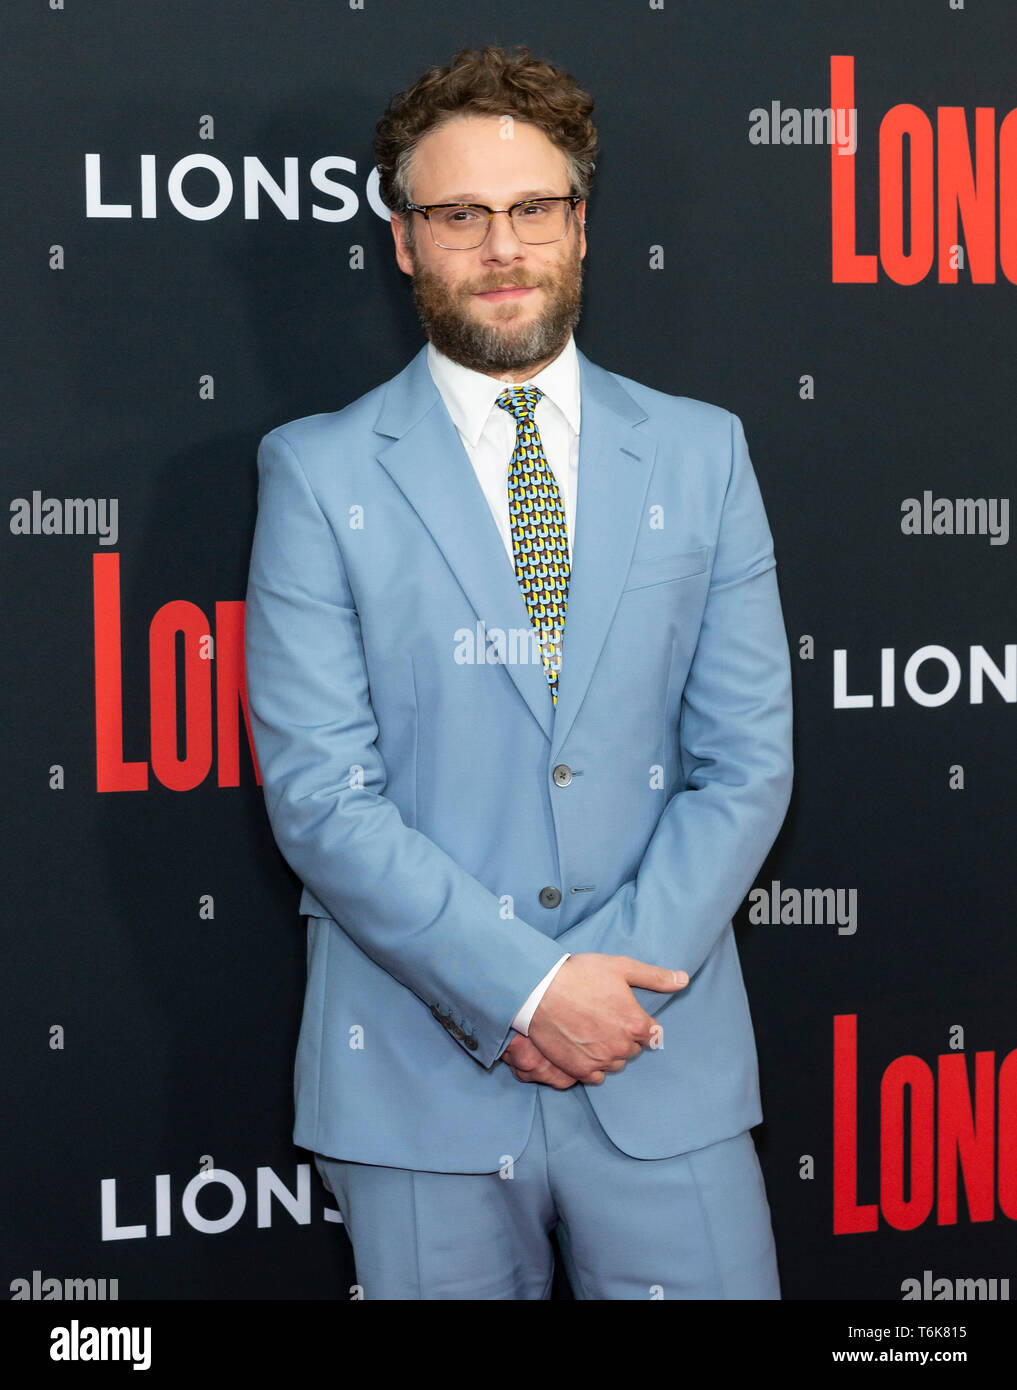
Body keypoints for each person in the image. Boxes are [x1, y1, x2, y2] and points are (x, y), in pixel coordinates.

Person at [244, 43, 793, 1300]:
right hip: (415, 1086)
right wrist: (530, 989)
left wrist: (605, 1000)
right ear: (403, 241)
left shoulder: (704, 455)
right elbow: (323, 795)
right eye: (458, 215)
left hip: (662, 1058)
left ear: (582, 226)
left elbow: (748, 760)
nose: (502, 247)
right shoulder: (317, 476)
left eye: (532, 209)